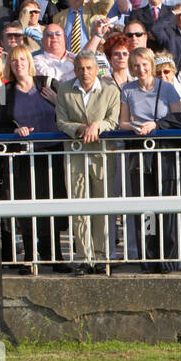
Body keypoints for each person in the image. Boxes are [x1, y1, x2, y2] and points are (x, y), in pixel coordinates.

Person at [0, 44, 69, 273]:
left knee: (52, 204)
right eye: (14, 61)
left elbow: (71, 113)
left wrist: (58, 101)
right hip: (23, 158)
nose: (19, 65)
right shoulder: (3, 92)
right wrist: (14, 131)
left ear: (30, 61)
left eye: (23, 60)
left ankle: (54, 256)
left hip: (52, 153)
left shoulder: (48, 84)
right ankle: (29, 257)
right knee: (26, 206)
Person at [117, 46, 181, 272]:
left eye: (144, 64)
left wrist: (156, 125)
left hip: (165, 152)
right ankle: (148, 256)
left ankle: (168, 256)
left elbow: (180, 119)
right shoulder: (127, 90)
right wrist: (136, 126)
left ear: (151, 64)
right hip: (140, 153)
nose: (141, 69)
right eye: (136, 65)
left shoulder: (166, 88)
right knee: (146, 207)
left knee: (166, 204)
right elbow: (122, 123)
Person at [54, 51, 120, 273]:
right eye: (81, 68)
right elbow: (61, 122)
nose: (85, 73)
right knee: (78, 207)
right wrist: (80, 128)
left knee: (102, 207)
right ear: (75, 70)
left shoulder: (110, 90)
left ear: (97, 69)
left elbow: (114, 120)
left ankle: (101, 257)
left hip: (102, 155)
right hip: (75, 154)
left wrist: (97, 126)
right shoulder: (64, 89)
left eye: (89, 68)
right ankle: (84, 257)